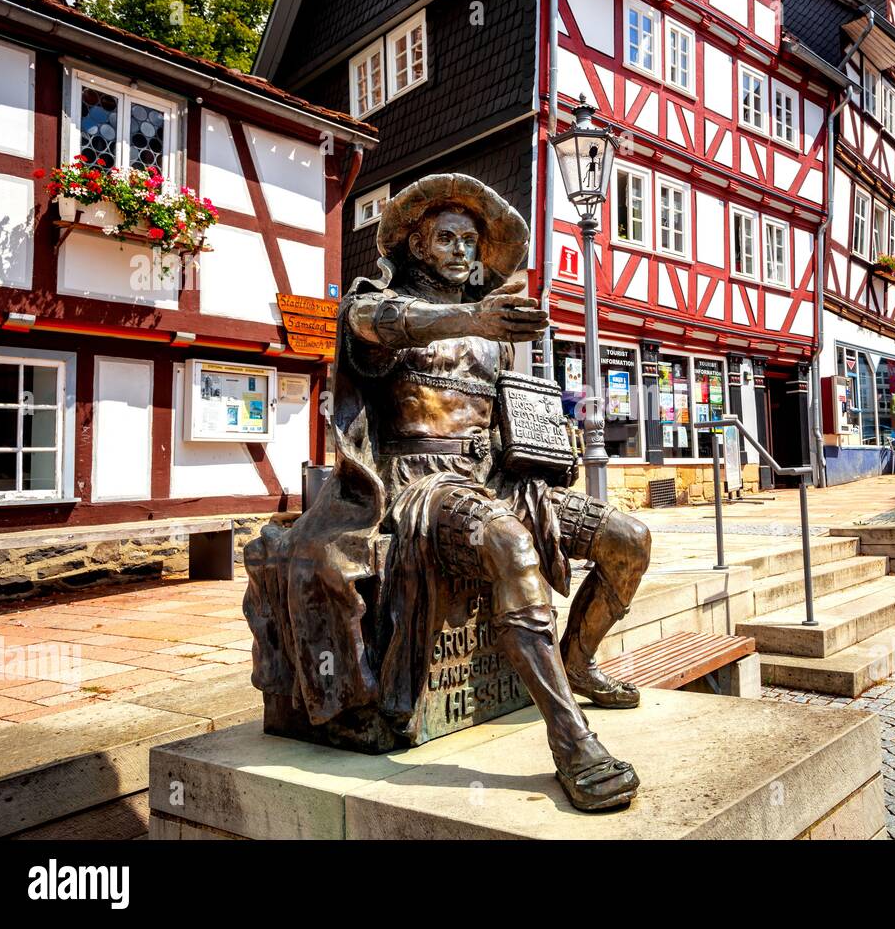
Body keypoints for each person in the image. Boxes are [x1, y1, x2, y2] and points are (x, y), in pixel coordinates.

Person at [243, 174, 650, 812]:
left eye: (471, 240)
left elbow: (508, 414)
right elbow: (391, 325)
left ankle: (575, 662)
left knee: (630, 538)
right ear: (414, 244)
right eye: (446, 239)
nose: (463, 251)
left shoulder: (492, 328)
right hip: (418, 484)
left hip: (501, 480)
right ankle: (572, 740)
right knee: (512, 548)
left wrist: (551, 441)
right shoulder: (372, 307)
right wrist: (475, 315)